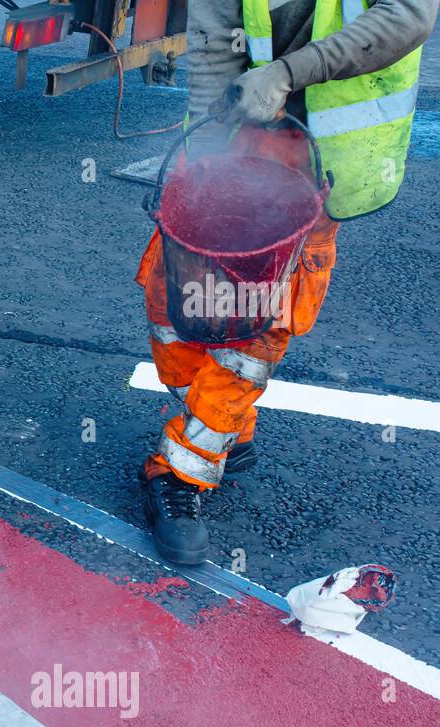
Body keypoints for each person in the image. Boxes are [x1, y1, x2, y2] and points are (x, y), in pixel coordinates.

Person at [138, 0, 438, 565]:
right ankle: (226, 425)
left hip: (324, 159)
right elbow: (212, 46)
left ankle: (180, 472)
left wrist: (286, 73)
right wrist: (201, 169)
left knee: (255, 325)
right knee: (170, 293)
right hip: (243, 142)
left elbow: (408, 17)